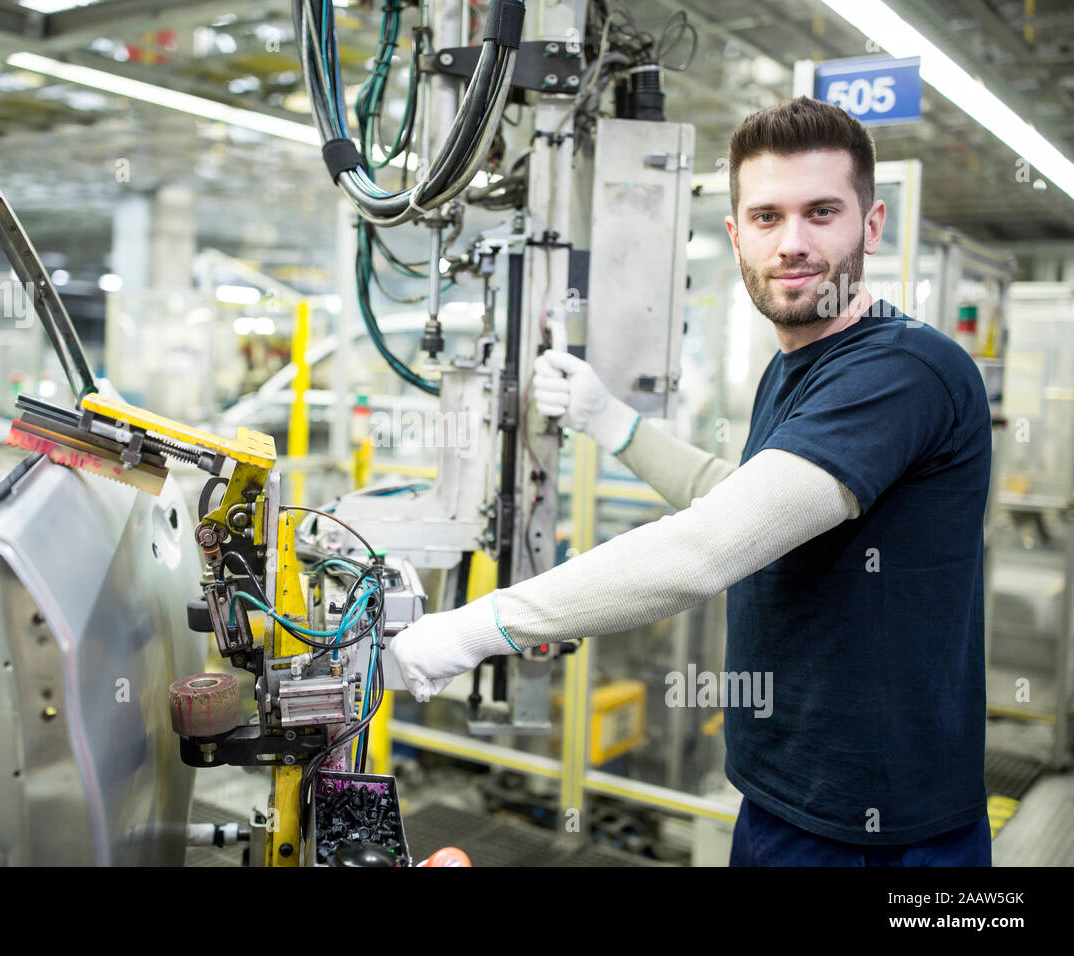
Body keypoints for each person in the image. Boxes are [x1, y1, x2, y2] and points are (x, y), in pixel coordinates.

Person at [388, 96, 993, 866]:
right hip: (783, 797)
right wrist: (613, 423)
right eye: (768, 218)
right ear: (737, 234)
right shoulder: (796, 366)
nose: (793, 243)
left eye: (822, 213)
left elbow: (709, 547)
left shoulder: (902, 368)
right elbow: (744, 499)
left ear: (870, 226)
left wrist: (474, 629)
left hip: (882, 829)